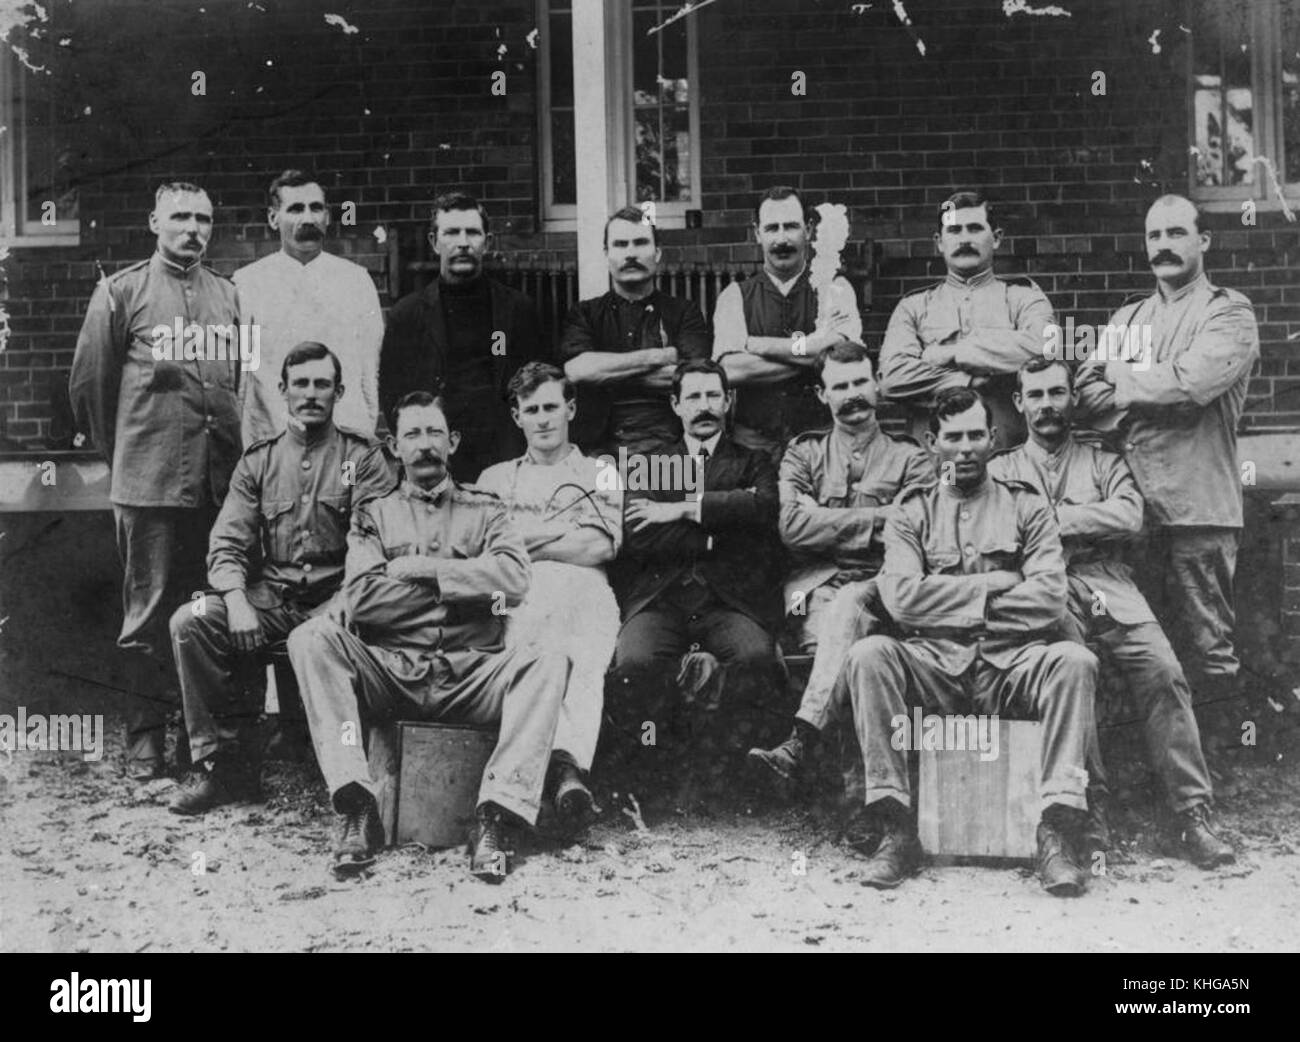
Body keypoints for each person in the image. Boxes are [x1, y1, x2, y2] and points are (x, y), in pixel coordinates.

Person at [288, 392, 569, 882]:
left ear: (453, 442)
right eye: (413, 435)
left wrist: (426, 570)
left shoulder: (488, 510)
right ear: (394, 447)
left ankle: (497, 817)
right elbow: (361, 599)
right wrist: (467, 588)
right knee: (311, 638)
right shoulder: (372, 514)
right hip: (392, 671)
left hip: (472, 673)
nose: (424, 445)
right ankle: (357, 806)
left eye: (434, 433)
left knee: (548, 659)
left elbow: (515, 581)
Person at [841, 387, 1098, 896]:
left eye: (976, 435)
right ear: (932, 441)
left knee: (1074, 661)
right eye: (953, 437)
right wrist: (995, 586)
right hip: (932, 665)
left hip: (1010, 666)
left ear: (994, 438)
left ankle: (1056, 832)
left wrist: (950, 603)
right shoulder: (910, 512)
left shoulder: (1027, 505)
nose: (965, 448)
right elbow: (901, 600)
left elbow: (1048, 597)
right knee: (869, 655)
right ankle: (896, 827)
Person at [988, 356, 1234, 867]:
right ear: (1019, 403)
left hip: (1108, 586)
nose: (1047, 405)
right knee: (1078, 674)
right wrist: (1079, 522)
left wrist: (1050, 519)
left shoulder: (1104, 460)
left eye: (1057, 393)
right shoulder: (1000, 468)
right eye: (1035, 396)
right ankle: (1092, 805)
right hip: (1044, 592)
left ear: (1072, 399)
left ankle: (1191, 813)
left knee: (1164, 672)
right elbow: (998, 534)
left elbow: (1129, 515)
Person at [167, 343, 395, 814]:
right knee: (191, 620)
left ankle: (350, 770)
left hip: (339, 602)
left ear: (339, 392)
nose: (311, 394)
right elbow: (228, 541)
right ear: (284, 391)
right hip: (273, 601)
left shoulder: (364, 458)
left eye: (322, 384)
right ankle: (226, 767)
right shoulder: (259, 461)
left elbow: (372, 544)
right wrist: (236, 598)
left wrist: (341, 605)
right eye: (301, 384)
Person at [68, 181, 243, 779]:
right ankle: (145, 739)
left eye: (203, 218)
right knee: (146, 615)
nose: (193, 229)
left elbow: (234, 386)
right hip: (148, 485)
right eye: (180, 217)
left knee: (202, 615)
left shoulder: (227, 294)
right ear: (153, 222)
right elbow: (90, 389)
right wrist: (129, 462)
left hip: (215, 486)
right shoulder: (120, 293)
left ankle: (202, 744)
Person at [1075, 193, 1259, 721]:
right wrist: (1142, 396)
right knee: (1140, 636)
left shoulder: (1228, 310)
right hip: (1132, 507)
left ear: (1203, 241)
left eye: (1176, 234)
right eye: (1154, 236)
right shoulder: (1130, 315)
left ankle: (1221, 752)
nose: (1163, 247)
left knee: (1207, 639)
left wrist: (1124, 381)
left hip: (1197, 505)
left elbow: (1192, 383)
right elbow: (1086, 393)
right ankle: (1155, 761)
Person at [748, 340, 932, 786]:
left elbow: (916, 530)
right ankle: (857, 787)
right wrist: (879, 517)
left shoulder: (911, 457)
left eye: (859, 382)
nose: (852, 395)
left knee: (845, 629)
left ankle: (804, 743)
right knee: (837, 649)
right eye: (839, 386)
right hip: (816, 585)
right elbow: (792, 527)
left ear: (878, 385)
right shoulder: (803, 453)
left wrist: (825, 520)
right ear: (821, 395)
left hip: (887, 584)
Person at [608, 359, 783, 784]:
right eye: (693, 397)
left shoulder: (753, 461)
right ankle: (656, 768)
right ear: (675, 404)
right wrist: (717, 531)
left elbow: (762, 515)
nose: (703, 407)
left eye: (711, 396)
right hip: (662, 597)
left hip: (728, 598)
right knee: (635, 662)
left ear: (728, 400)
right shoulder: (650, 462)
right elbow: (640, 537)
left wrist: (682, 511)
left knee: (755, 657)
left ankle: (729, 767)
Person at [477, 362, 622, 830]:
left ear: (571, 409)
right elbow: (487, 550)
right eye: (531, 409)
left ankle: (562, 765)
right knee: (535, 654)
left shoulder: (600, 471)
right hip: (522, 591)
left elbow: (599, 545)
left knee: (586, 654)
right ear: (517, 416)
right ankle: (558, 772)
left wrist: (523, 537)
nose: (542, 418)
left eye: (551, 407)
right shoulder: (494, 479)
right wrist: (563, 530)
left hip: (586, 587)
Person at [378, 192, 546, 480]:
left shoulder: (518, 309)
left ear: (488, 242)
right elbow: (392, 394)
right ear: (434, 242)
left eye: (472, 233)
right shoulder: (407, 315)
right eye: (452, 233)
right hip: (437, 457)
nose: (463, 243)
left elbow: (539, 385)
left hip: (505, 454)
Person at [879, 189, 1054, 446]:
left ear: (995, 238)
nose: (964, 239)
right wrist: (968, 379)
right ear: (939, 241)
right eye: (954, 230)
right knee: (948, 486)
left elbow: (1045, 347)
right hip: (936, 460)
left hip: (1007, 454)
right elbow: (893, 378)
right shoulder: (914, 306)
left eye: (974, 228)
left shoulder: (1023, 298)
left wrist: (954, 353)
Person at [234, 170, 384, 443]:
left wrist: (362, 435)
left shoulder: (356, 280)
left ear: (326, 217)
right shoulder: (247, 283)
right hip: (273, 441)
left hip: (343, 438)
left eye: (316, 208)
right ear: (273, 218)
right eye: (295, 209)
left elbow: (369, 371)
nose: (307, 219)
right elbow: (241, 379)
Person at [712, 186, 861, 460]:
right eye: (772, 228)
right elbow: (731, 371)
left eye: (791, 226)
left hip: (822, 441)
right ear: (757, 233)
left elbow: (842, 358)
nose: (782, 239)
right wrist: (814, 353)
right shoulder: (734, 296)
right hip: (752, 445)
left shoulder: (835, 289)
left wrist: (759, 345)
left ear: (808, 229)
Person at [559, 206, 711, 456]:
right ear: (607, 254)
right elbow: (578, 371)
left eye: (640, 243)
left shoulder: (684, 312)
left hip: (671, 447)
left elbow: (693, 379)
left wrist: (607, 375)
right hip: (598, 448)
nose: (631, 253)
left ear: (658, 253)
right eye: (620, 244)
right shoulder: (585, 313)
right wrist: (658, 357)